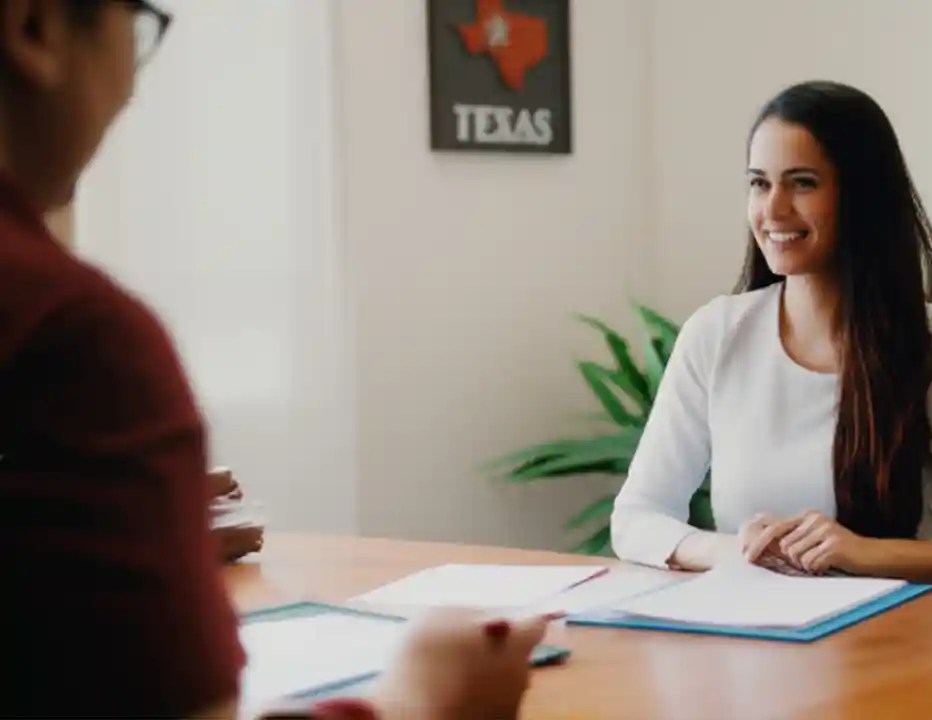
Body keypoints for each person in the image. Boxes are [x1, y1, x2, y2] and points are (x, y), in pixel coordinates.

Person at [0, 1, 548, 717]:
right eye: (134, 26)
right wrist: (423, 700)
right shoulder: (73, 340)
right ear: (36, 27)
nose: (132, 83)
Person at [610, 81, 932, 593]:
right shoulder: (716, 333)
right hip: (750, 640)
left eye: (801, 183)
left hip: (891, 648)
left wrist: (864, 553)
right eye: (759, 183)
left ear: (862, 196)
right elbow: (637, 518)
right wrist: (733, 550)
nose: (772, 210)